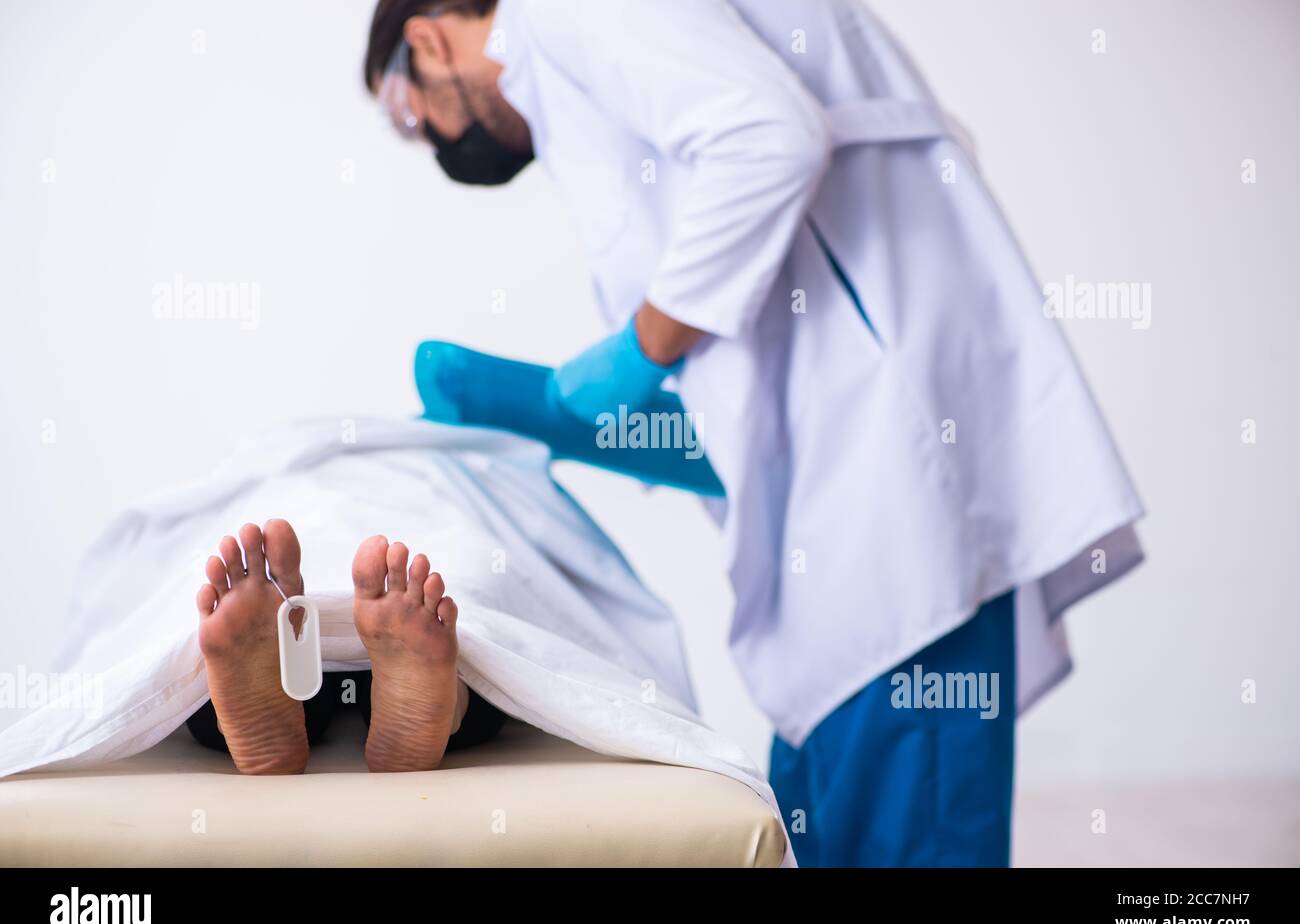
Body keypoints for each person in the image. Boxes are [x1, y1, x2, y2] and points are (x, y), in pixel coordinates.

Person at [363, 0, 1145, 865]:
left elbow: (772, 135)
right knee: (823, 827)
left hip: (891, 529)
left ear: (427, 36)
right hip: (839, 546)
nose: (430, 139)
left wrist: (636, 354)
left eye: (408, 108)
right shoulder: (594, 106)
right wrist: (557, 414)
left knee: (902, 821)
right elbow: (748, 412)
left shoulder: (558, 11)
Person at [186, 520, 504, 774]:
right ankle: (455, 704)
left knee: (303, 690)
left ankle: (222, 716)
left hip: (298, 667)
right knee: (478, 607)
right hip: (405, 638)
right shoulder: (502, 457)